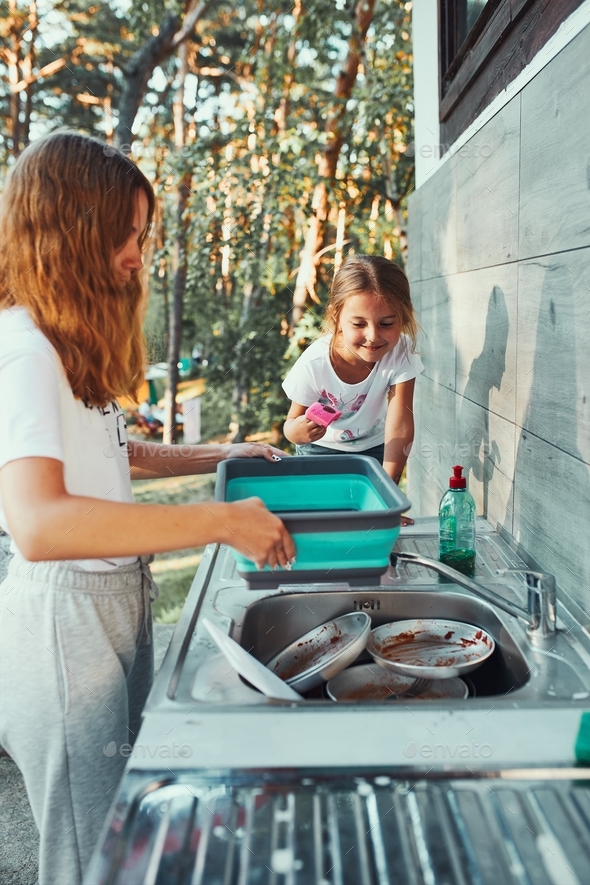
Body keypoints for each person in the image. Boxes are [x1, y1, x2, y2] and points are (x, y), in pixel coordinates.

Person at [0, 131, 294, 885]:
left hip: (110, 605)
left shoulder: (62, 341)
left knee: (125, 833)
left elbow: (115, 455)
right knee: (90, 857)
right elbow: (38, 523)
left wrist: (220, 456)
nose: (136, 256)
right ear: (73, 231)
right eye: (125, 236)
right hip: (64, 627)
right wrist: (221, 520)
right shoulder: (22, 349)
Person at [282, 254, 423, 519]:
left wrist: (387, 497)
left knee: (369, 519)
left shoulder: (400, 350)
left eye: (387, 324)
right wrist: (299, 432)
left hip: (373, 449)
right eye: (359, 324)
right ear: (337, 317)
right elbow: (290, 426)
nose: (373, 336)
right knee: (323, 520)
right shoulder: (314, 363)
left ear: (402, 318)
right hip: (318, 451)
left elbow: (400, 425)